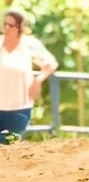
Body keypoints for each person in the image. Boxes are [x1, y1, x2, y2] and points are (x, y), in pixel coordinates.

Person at [0, 8, 58, 144]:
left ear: (20, 28)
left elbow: (51, 63)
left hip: (20, 108)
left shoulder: (30, 45)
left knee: (10, 144)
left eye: (11, 25)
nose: (6, 28)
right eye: (5, 24)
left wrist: (37, 80)